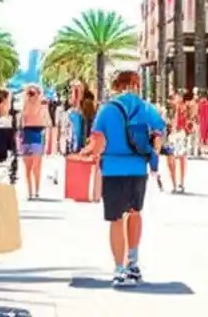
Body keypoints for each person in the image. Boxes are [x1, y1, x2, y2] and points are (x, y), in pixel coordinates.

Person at [80, 69, 165, 288]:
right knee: (135, 213)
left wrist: (86, 153)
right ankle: (133, 264)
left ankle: (119, 269)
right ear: (136, 84)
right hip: (138, 167)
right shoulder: (145, 107)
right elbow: (159, 134)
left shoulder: (107, 109)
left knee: (116, 219)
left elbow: (98, 143)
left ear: (116, 85)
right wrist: (152, 156)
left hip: (113, 169)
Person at [19, 84, 47, 200]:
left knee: (36, 165)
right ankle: (30, 191)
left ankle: (37, 190)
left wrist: (38, 97)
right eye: (30, 93)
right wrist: (27, 94)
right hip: (27, 133)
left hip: (37, 132)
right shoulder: (24, 105)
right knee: (27, 167)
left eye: (34, 93)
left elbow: (39, 114)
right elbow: (23, 117)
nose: (31, 95)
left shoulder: (41, 104)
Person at [0, 88, 18, 186]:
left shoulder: (8, 119)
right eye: (8, 103)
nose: (10, 106)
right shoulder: (6, 121)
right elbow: (11, 144)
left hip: (1, 162)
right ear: (2, 104)